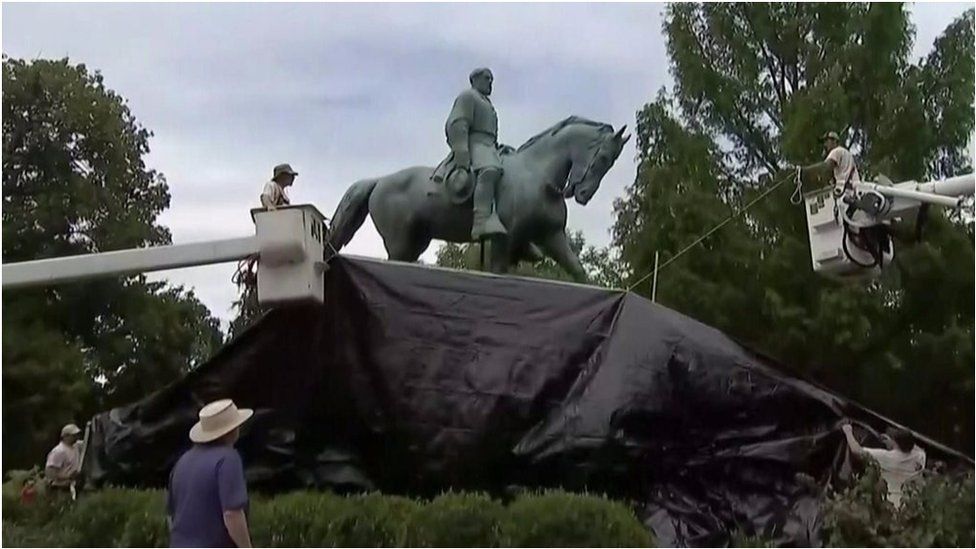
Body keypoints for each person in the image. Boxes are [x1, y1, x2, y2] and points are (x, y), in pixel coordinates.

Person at [168, 399, 254, 548]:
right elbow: (232, 514)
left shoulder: (183, 460)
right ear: (232, 430)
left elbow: (171, 515)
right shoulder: (228, 458)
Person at [442, 67, 507, 240]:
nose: (490, 82)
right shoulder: (468, 97)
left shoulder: (486, 103)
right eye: (487, 78)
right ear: (475, 79)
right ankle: (481, 221)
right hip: (475, 144)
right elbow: (458, 122)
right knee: (490, 170)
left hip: (489, 145)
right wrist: (461, 150)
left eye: (491, 79)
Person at [841, 422, 926, 507]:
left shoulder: (888, 457)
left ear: (896, 443)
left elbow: (856, 451)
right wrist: (892, 443)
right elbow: (911, 446)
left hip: (891, 504)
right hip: (911, 503)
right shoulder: (921, 455)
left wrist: (848, 431)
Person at [801, 131, 861, 196]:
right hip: (854, 189)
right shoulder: (848, 154)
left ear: (834, 141)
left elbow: (825, 168)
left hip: (841, 190)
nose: (825, 145)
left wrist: (804, 170)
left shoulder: (836, 151)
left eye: (827, 141)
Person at [45, 423, 82, 492]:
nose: (76, 437)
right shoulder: (59, 451)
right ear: (65, 436)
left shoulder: (76, 447)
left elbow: (86, 442)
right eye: (73, 435)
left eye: (77, 435)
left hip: (73, 486)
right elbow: (50, 473)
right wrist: (67, 477)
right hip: (60, 487)